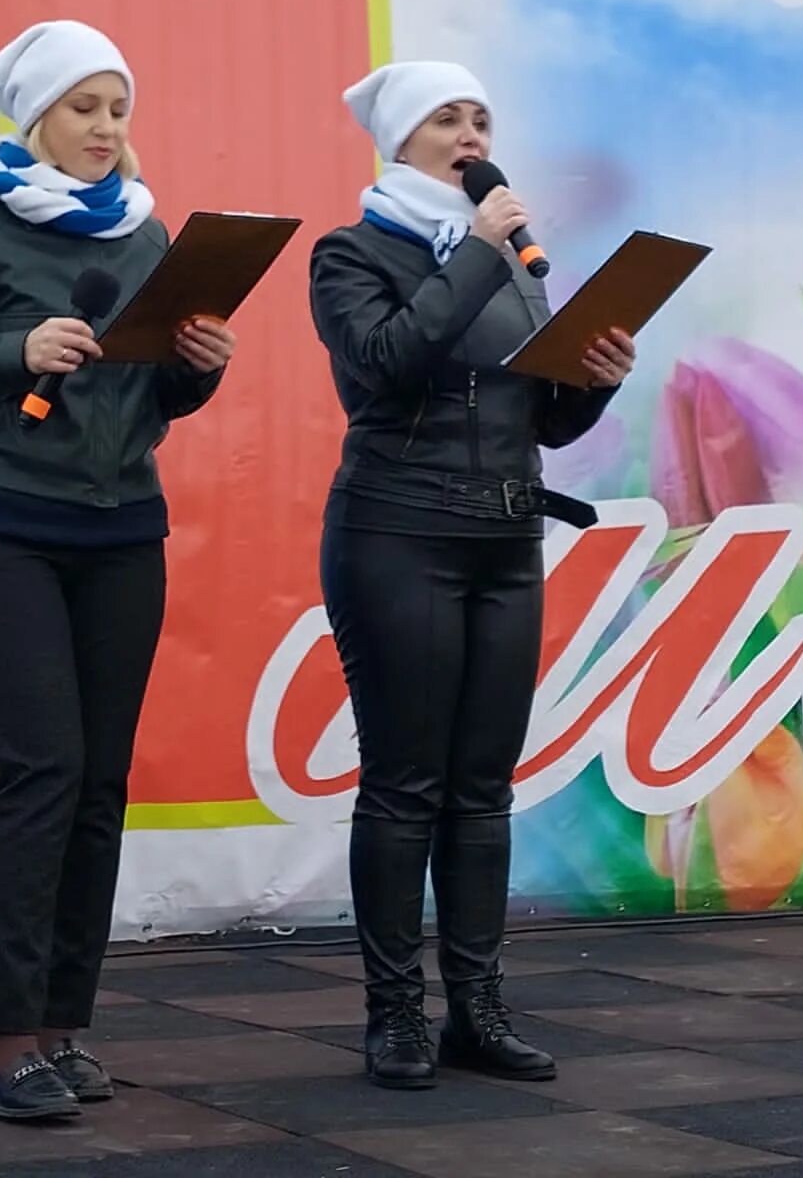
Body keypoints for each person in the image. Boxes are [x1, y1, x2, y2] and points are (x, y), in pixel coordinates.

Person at [0, 20, 236, 1122]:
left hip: (122, 533)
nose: (104, 128)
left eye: (118, 108)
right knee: (41, 770)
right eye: (83, 106)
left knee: (98, 784)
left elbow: (145, 403)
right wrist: (16, 351)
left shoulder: (148, 239)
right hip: (2, 531)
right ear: (34, 115)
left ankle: (60, 1027)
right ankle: (4, 1045)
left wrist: (193, 374)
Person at [309, 61, 636, 1090]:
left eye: (480, 117)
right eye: (446, 117)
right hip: (396, 532)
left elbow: (538, 420)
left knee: (482, 788)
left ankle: (477, 1005)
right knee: (405, 783)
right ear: (401, 138)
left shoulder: (514, 264)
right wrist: (481, 253)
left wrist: (591, 382)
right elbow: (388, 361)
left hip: (505, 542)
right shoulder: (349, 253)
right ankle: (395, 1011)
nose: (467, 132)